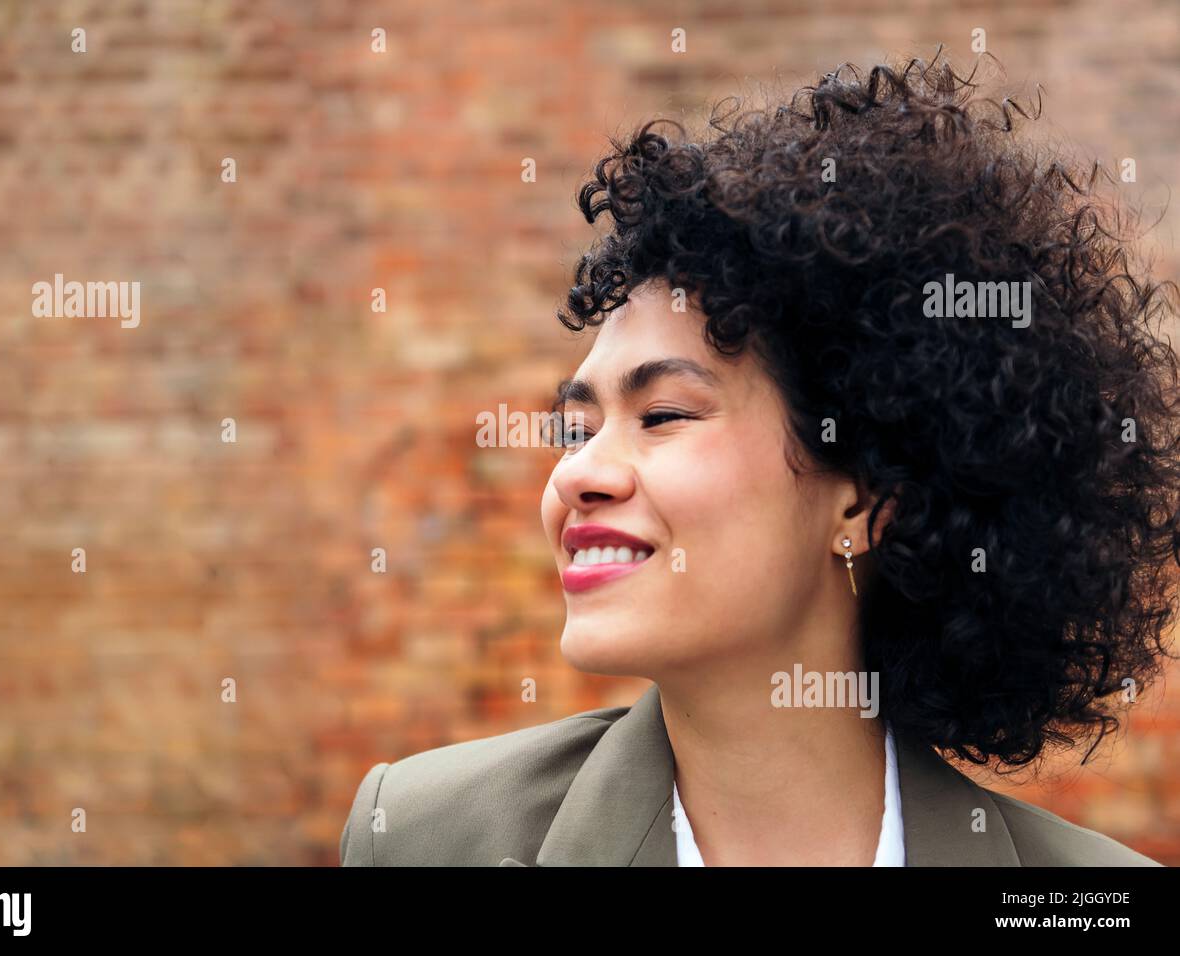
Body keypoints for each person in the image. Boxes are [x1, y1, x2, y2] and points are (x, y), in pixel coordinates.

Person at [341, 52, 1178, 866]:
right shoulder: (424, 837)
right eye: (580, 426)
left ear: (865, 502)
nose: (576, 474)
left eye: (661, 413)